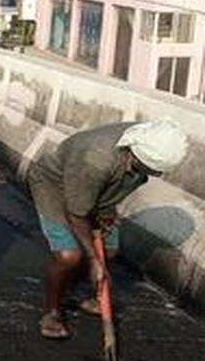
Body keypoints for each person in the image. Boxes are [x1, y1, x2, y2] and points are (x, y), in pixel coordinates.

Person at [28, 119, 187, 340]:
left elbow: (119, 182)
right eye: (150, 170)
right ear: (134, 155)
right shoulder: (95, 159)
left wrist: (106, 211)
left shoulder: (151, 138)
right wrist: (94, 261)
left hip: (98, 191)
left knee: (110, 250)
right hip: (56, 186)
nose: (155, 175)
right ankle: (52, 310)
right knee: (70, 255)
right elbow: (77, 214)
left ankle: (69, 289)